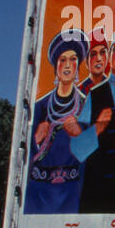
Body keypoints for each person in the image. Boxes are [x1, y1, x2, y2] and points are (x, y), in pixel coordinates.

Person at [71, 29, 115, 213]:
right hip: (95, 186)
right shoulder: (94, 94)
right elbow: (77, 149)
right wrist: (97, 127)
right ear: (109, 56)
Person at [26, 30, 89, 214]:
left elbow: (93, 153)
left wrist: (80, 136)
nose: (68, 65)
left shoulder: (86, 105)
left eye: (73, 59)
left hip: (71, 192)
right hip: (38, 192)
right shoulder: (40, 107)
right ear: (56, 66)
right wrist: (37, 139)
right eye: (63, 60)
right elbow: (23, 155)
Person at [80, 28, 110, 94]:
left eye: (102, 52)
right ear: (87, 59)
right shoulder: (79, 92)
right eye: (93, 54)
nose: (99, 59)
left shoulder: (113, 87)